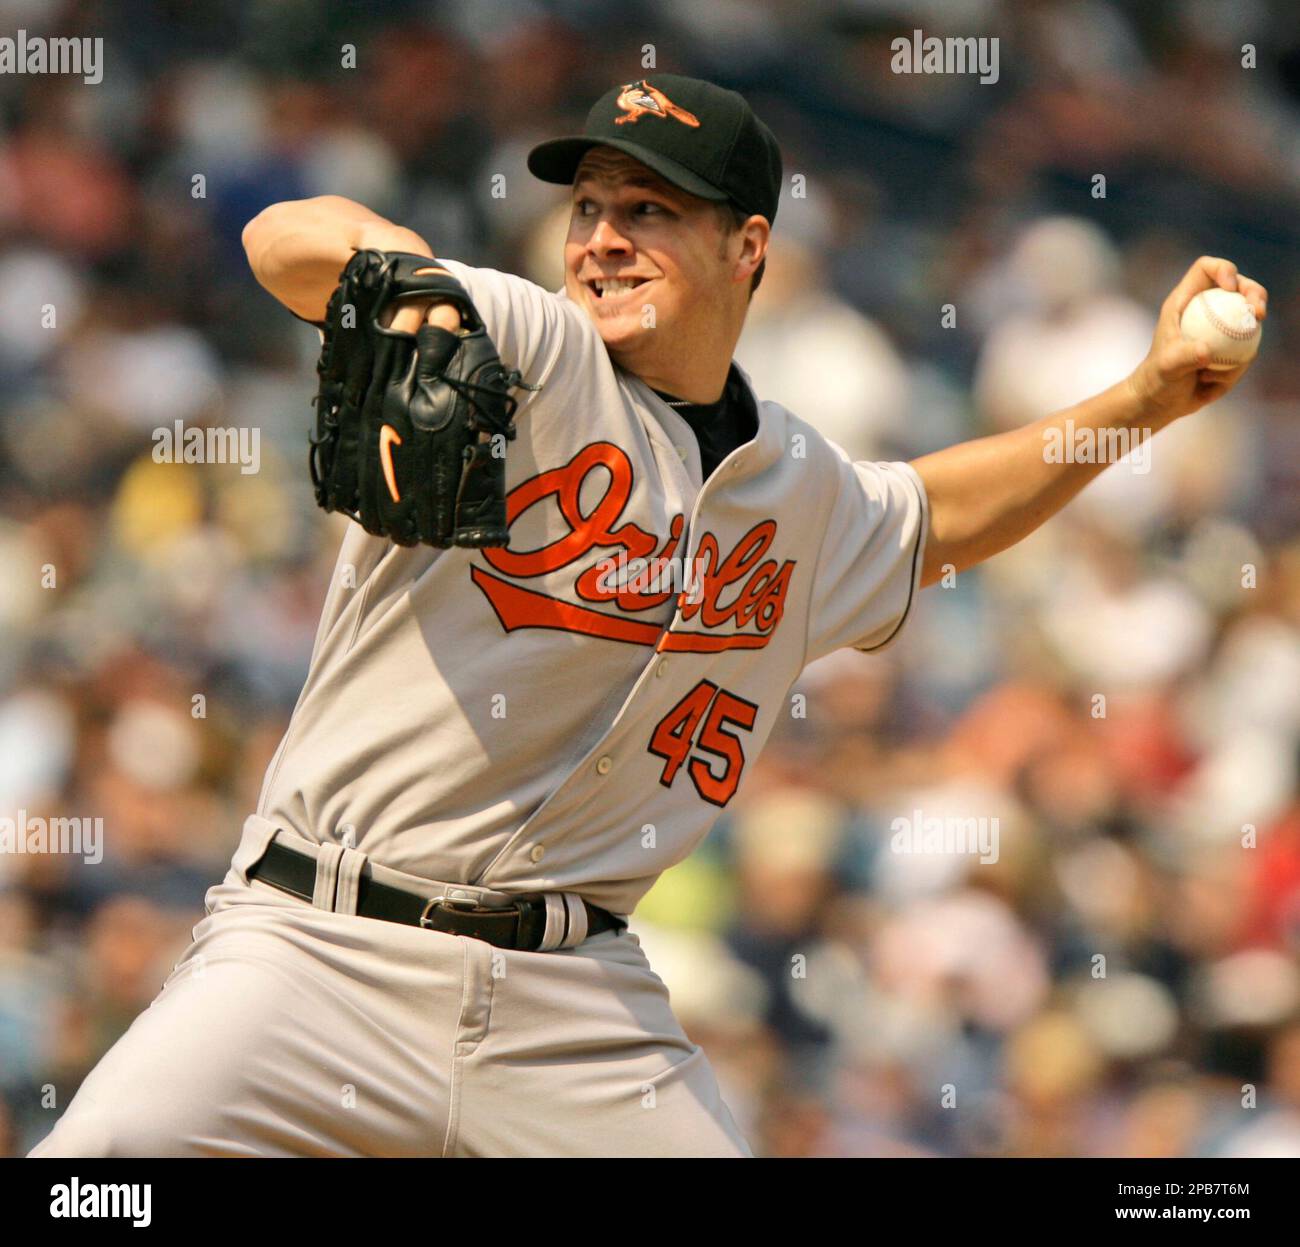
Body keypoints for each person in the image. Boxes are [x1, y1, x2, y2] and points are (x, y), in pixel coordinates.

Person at [30, 73, 1266, 1158]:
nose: (603, 240)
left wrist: (1146, 397)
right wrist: (403, 275)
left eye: (650, 211)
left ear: (749, 247)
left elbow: (935, 515)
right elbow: (284, 236)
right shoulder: (529, 347)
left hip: (572, 1004)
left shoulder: (800, 485)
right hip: (317, 948)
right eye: (589, 208)